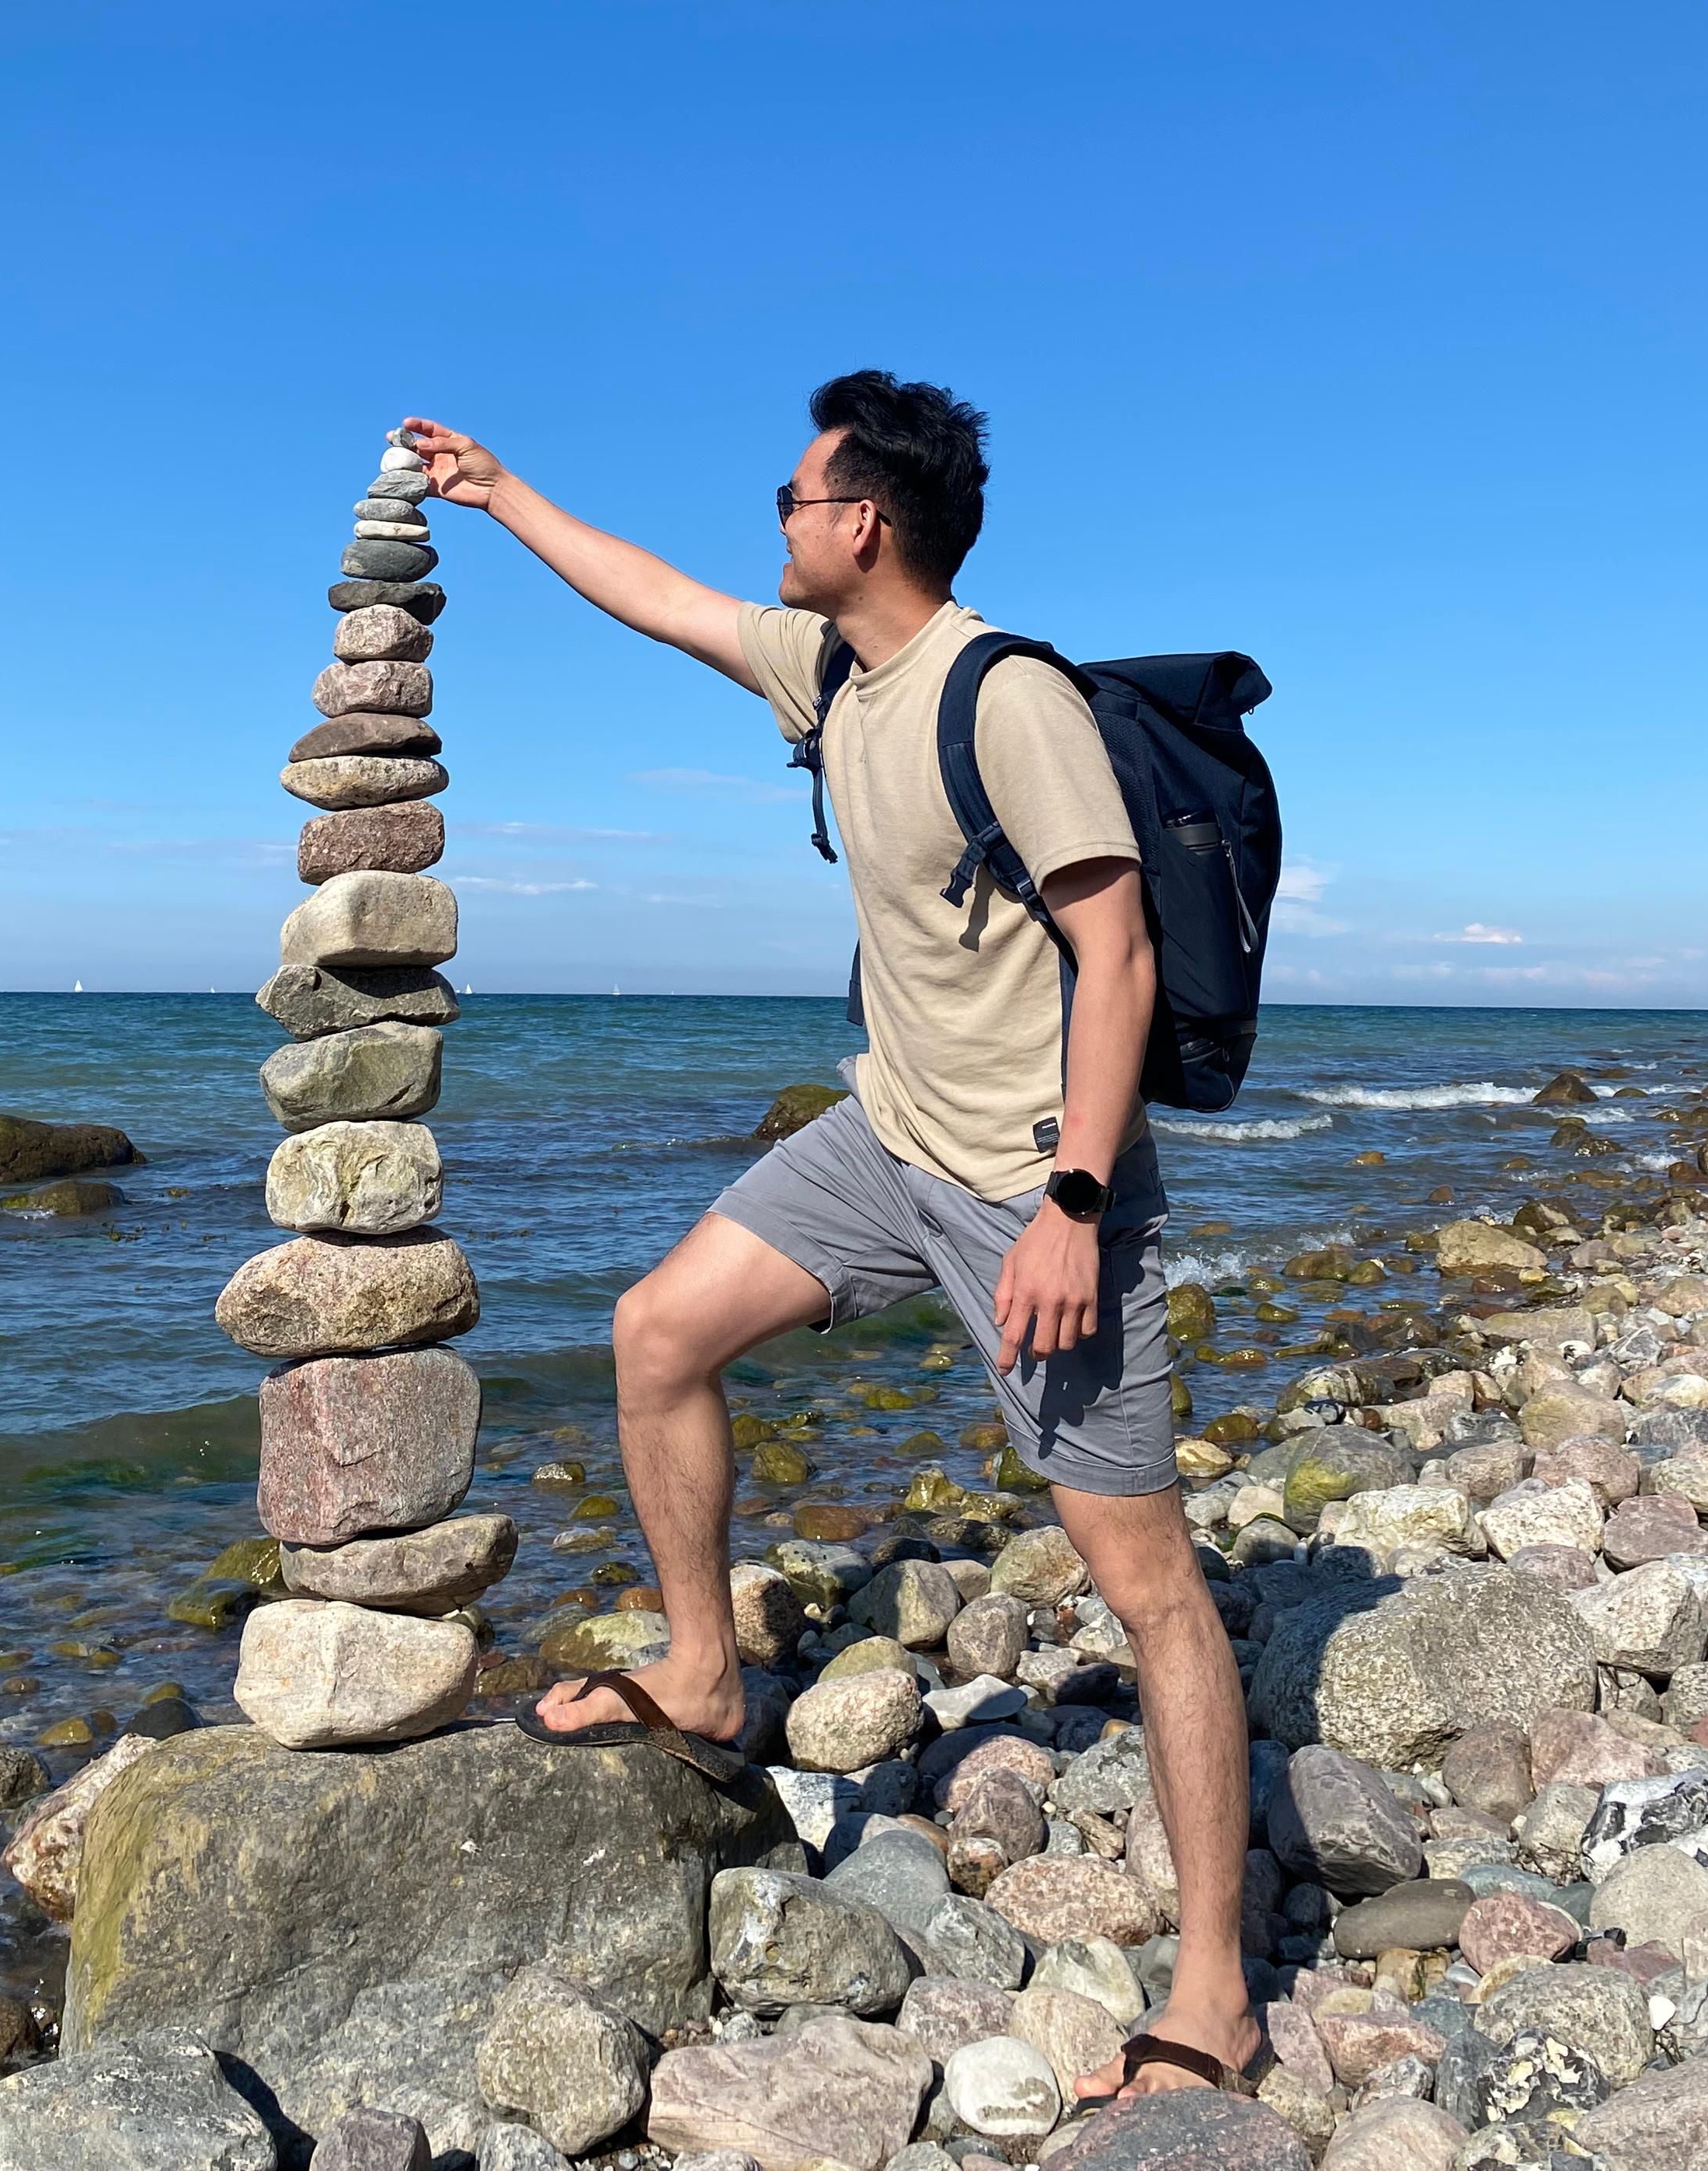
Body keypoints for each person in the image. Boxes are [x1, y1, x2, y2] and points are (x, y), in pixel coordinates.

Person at [397, 374, 1261, 2103]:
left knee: (1149, 1587)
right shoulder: (836, 672)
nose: (773, 525)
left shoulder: (1002, 699)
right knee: (658, 1334)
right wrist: (503, 495)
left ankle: (1220, 1990)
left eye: (793, 498)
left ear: (859, 523)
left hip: (1037, 1175)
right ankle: (706, 1675)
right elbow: (666, 603)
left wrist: (1079, 1205)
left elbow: (1123, 961)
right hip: (886, 1140)